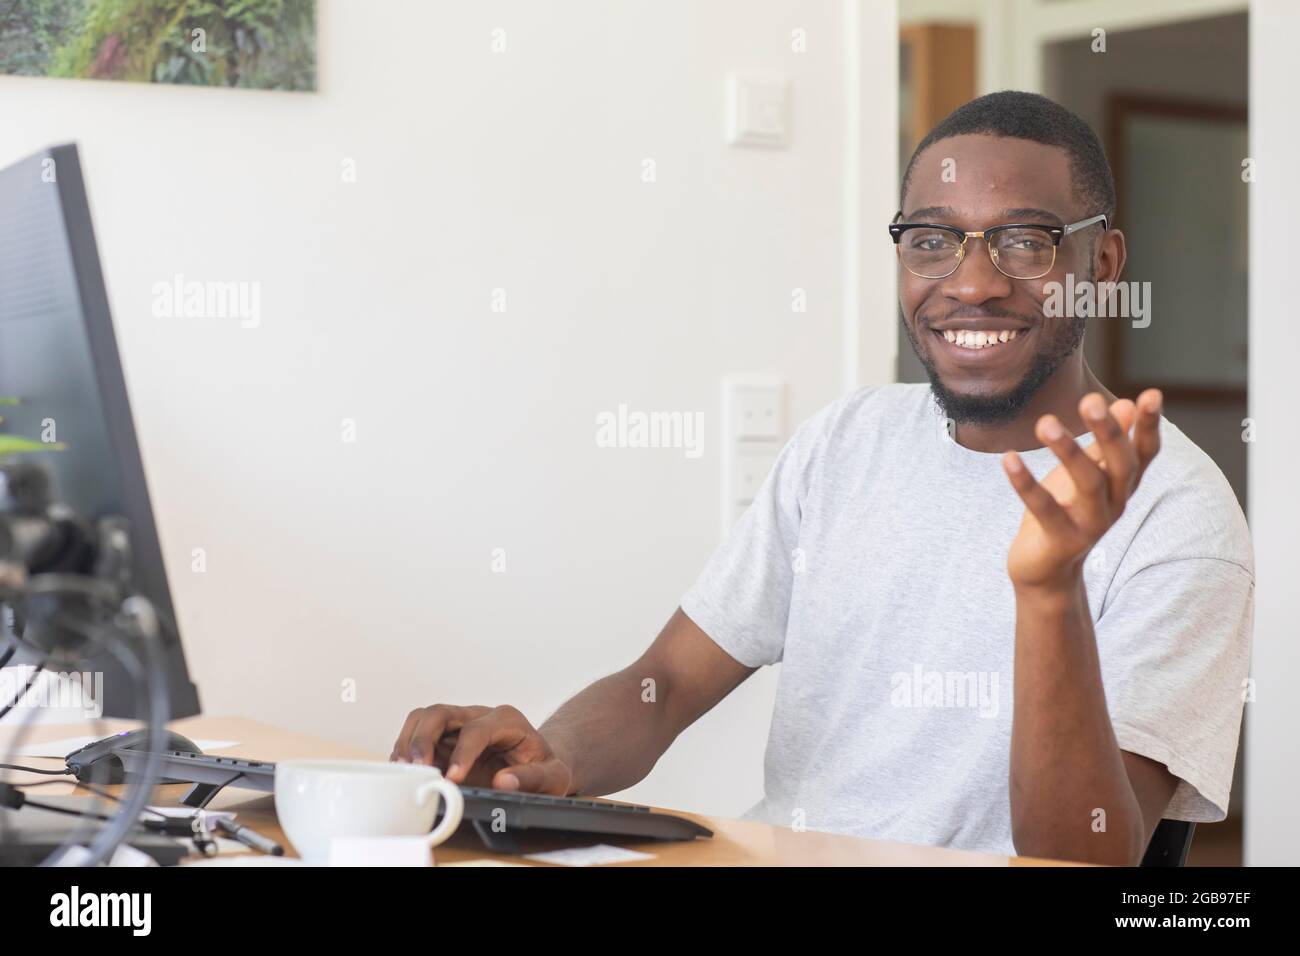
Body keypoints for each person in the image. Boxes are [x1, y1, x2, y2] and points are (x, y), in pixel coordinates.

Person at [390, 91, 1253, 865]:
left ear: (1101, 267)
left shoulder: (1178, 516)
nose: (974, 283)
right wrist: (552, 757)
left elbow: (1085, 858)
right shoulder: (848, 440)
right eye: (933, 241)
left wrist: (1048, 590)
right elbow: (669, 685)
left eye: (1025, 243)